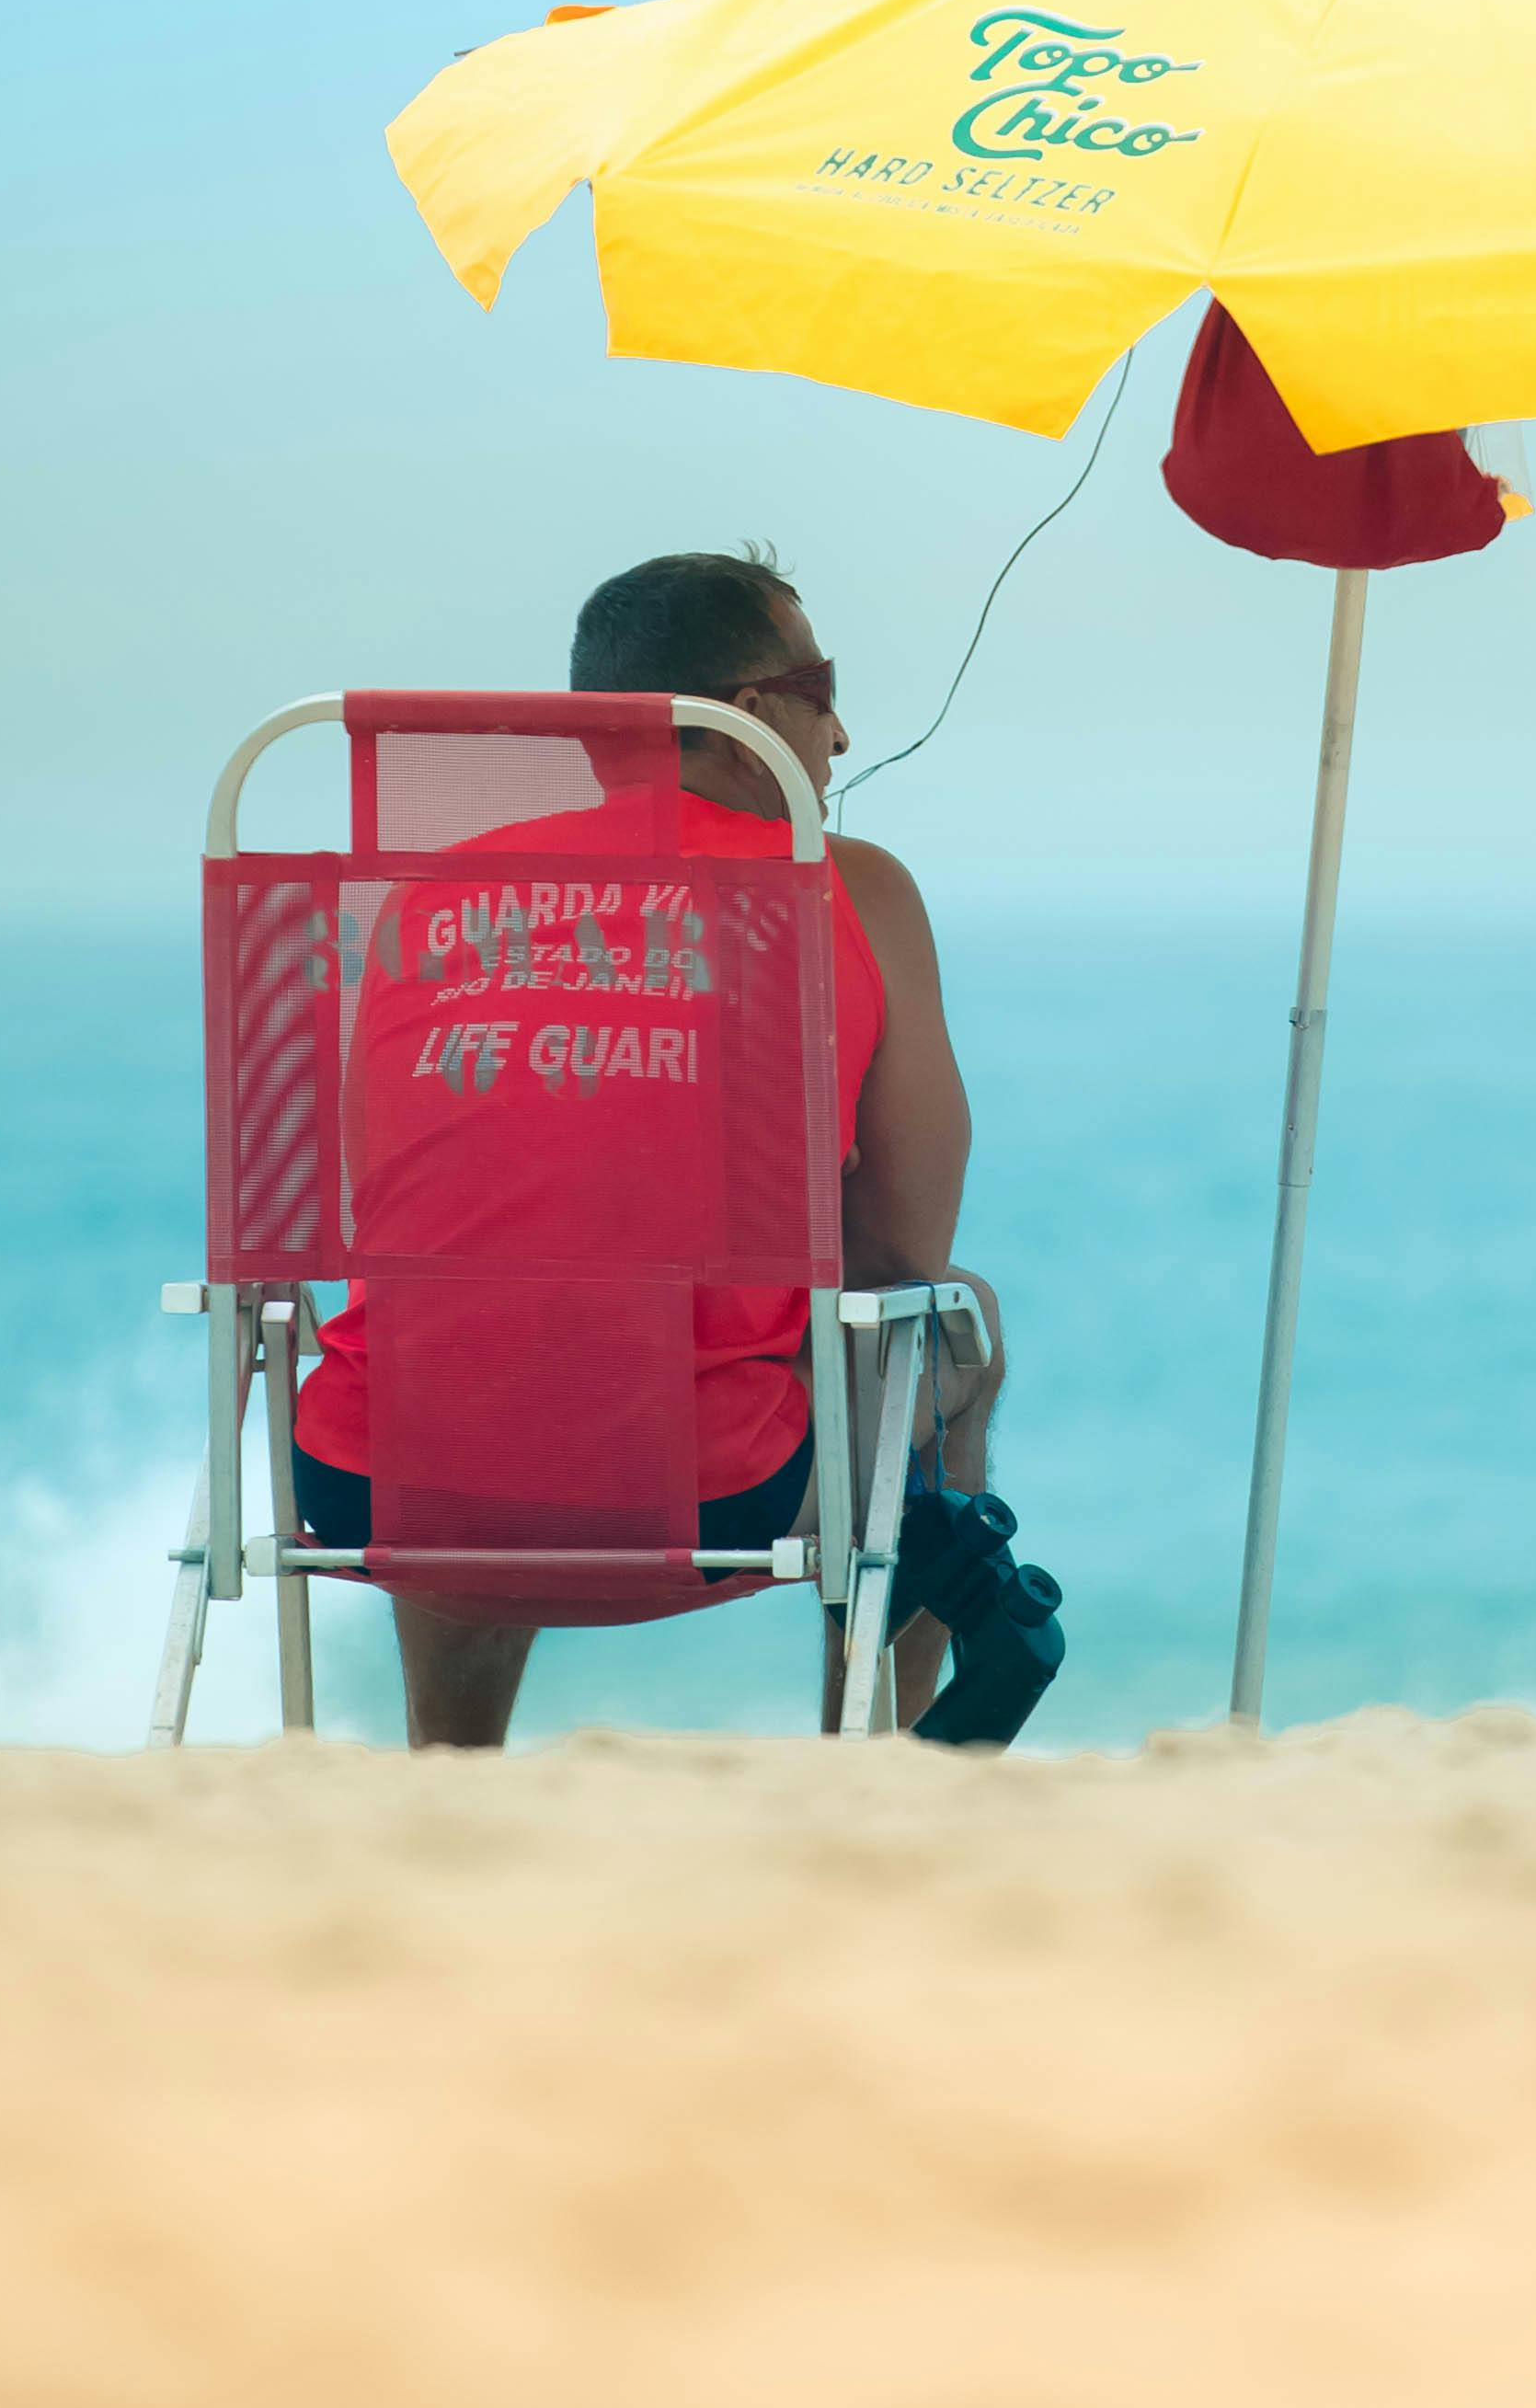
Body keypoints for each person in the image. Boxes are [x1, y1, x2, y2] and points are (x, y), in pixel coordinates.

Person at [287, 551, 1059, 1752]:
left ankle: (446, 1766)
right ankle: (885, 1771)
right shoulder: (842, 891)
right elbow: (905, 1244)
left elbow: (412, 1193)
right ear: (748, 718)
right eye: (824, 688)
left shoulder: (434, 892)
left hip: (368, 1491)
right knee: (944, 1323)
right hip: (701, 1498)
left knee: (464, 1316)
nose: (843, 737)